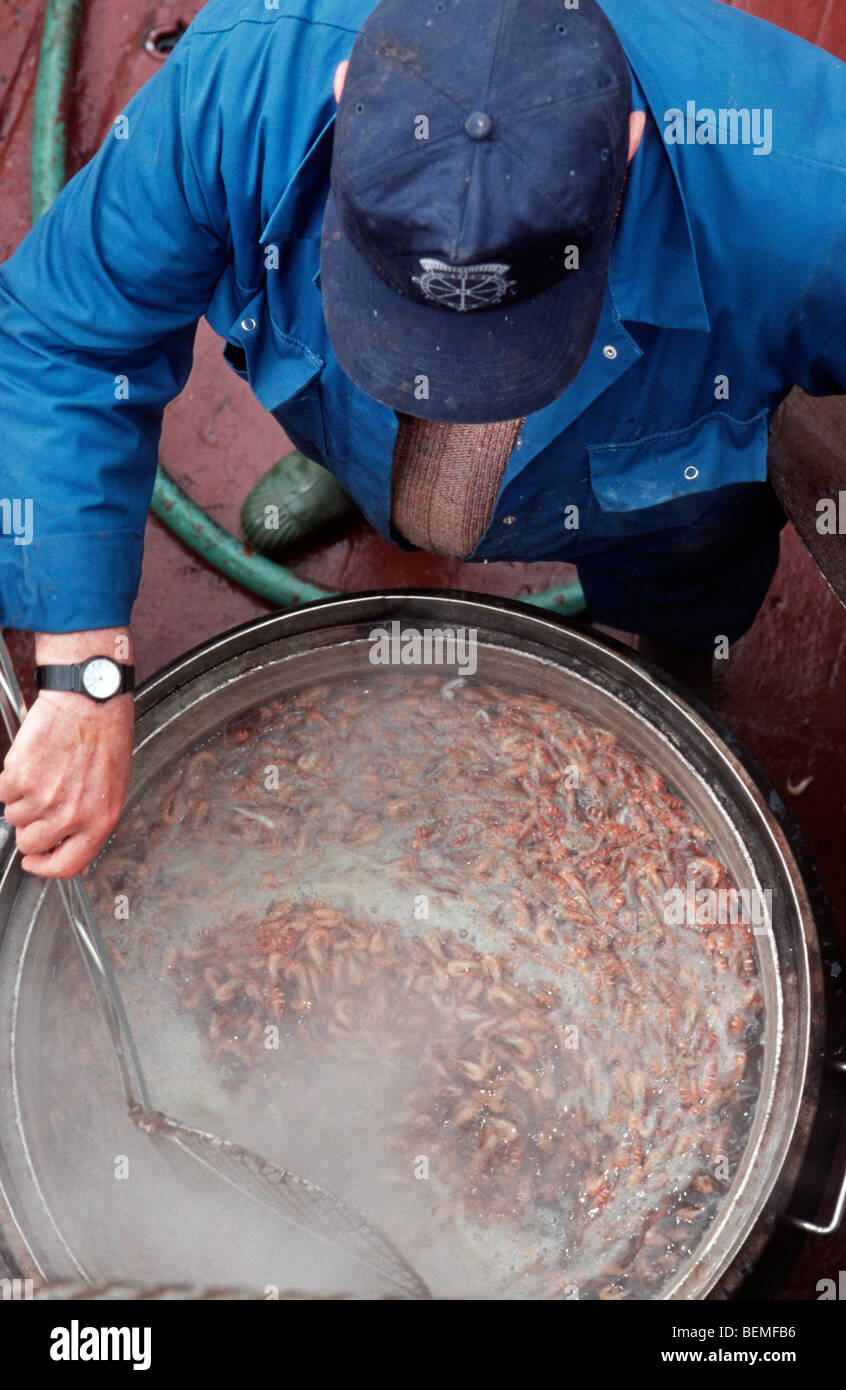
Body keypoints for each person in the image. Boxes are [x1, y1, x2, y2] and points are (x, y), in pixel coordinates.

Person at [0, 0, 844, 878]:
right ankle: (377, 479)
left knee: (684, 589)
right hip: (344, 421)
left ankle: (675, 662)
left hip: (657, 503)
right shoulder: (245, 76)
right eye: (404, 327)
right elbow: (68, 337)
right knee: (361, 437)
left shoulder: (811, 194)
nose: (456, 397)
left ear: (628, 140)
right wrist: (84, 668)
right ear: (342, 94)